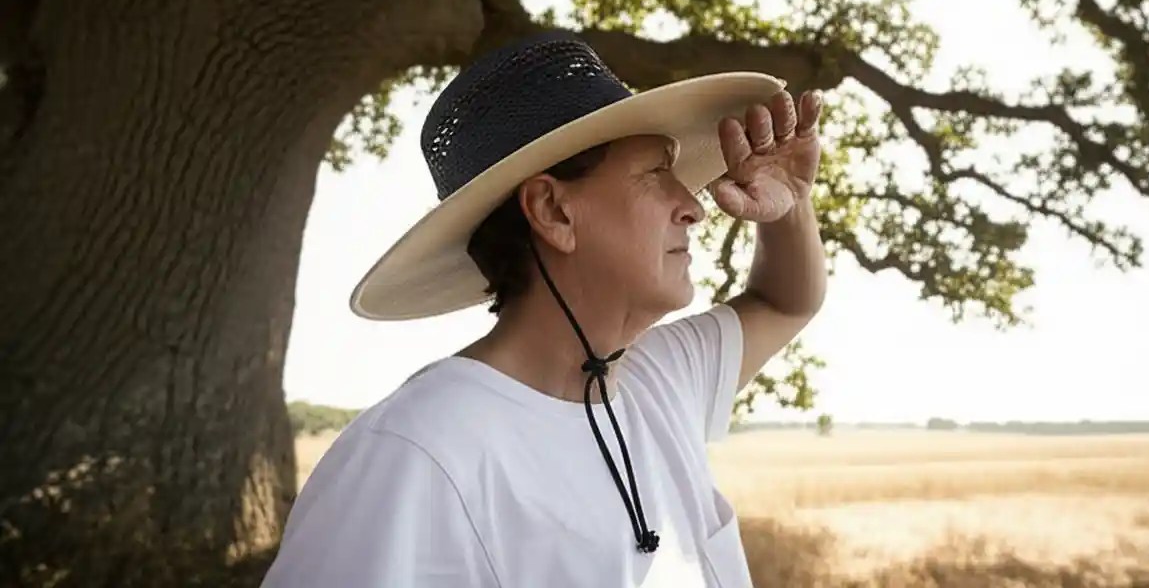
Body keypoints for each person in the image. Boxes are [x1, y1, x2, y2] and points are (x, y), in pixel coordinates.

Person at [263, 31, 827, 587]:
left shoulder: (659, 379)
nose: (693, 207)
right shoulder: (415, 454)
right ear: (553, 211)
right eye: (657, 174)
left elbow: (786, 300)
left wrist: (791, 207)